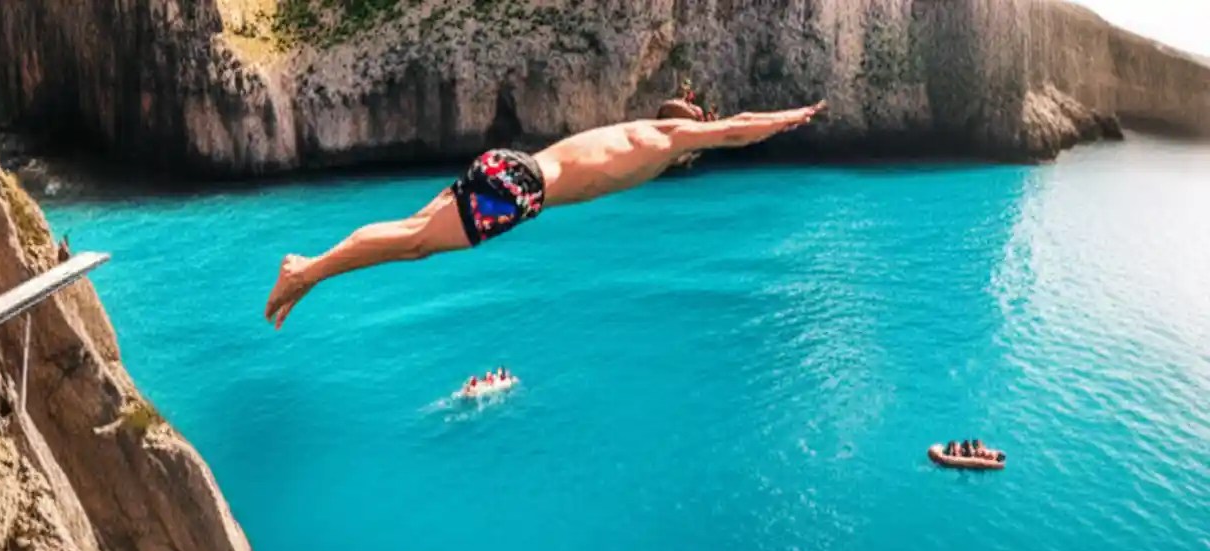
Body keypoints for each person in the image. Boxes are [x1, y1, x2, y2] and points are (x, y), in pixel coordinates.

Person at [265, 101, 828, 328]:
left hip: (511, 169)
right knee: (413, 243)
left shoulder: (640, 134)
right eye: (697, 117)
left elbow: (721, 128)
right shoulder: (668, 134)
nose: (703, 124)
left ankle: (311, 271)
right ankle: (306, 270)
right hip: (522, 188)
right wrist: (789, 119)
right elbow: (734, 126)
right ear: (683, 118)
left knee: (410, 235)